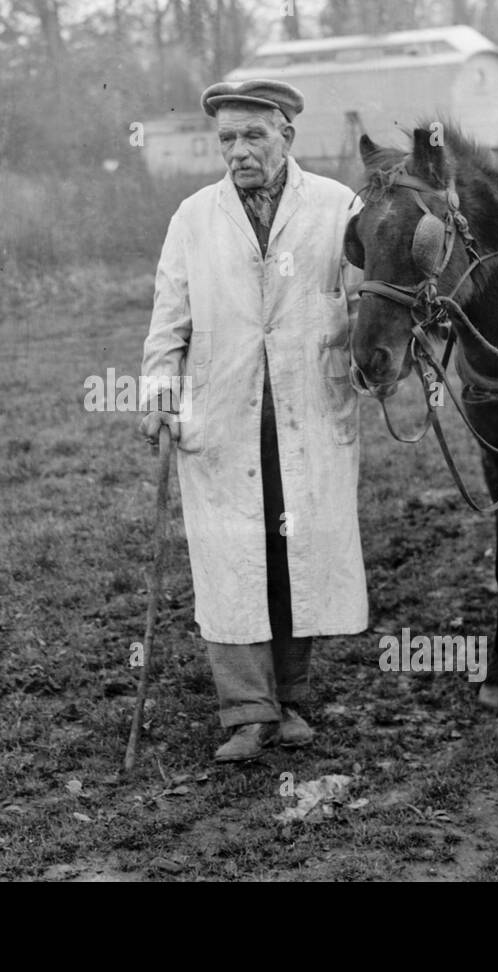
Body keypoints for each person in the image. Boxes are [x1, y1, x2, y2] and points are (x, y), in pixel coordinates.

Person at [140, 79, 368, 763]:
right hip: (221, 416)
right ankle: (246, 712)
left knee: (292, 555)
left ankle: (291, 702)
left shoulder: (339, 208)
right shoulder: (193, 218)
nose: (239, 152)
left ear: (286, 138)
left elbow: (370, 304)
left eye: (253, 136)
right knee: (231, 558)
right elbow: (167, 323)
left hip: (310, 413)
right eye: (228, 140)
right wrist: (157, 392)